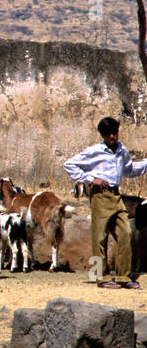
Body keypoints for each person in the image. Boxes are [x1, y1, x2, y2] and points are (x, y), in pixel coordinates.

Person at [64, 116, 147, 289]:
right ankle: (100, 277)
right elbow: (69, 165)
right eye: (108, 134)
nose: (112, 137)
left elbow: (129, 170)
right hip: (100, 197)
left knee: (125, 233)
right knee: (99, 237)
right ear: (103, 135)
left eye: (114, 133)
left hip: (116, 196)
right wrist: (90, 179)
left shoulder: (121, 149)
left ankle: (124, 276)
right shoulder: (95, 151)